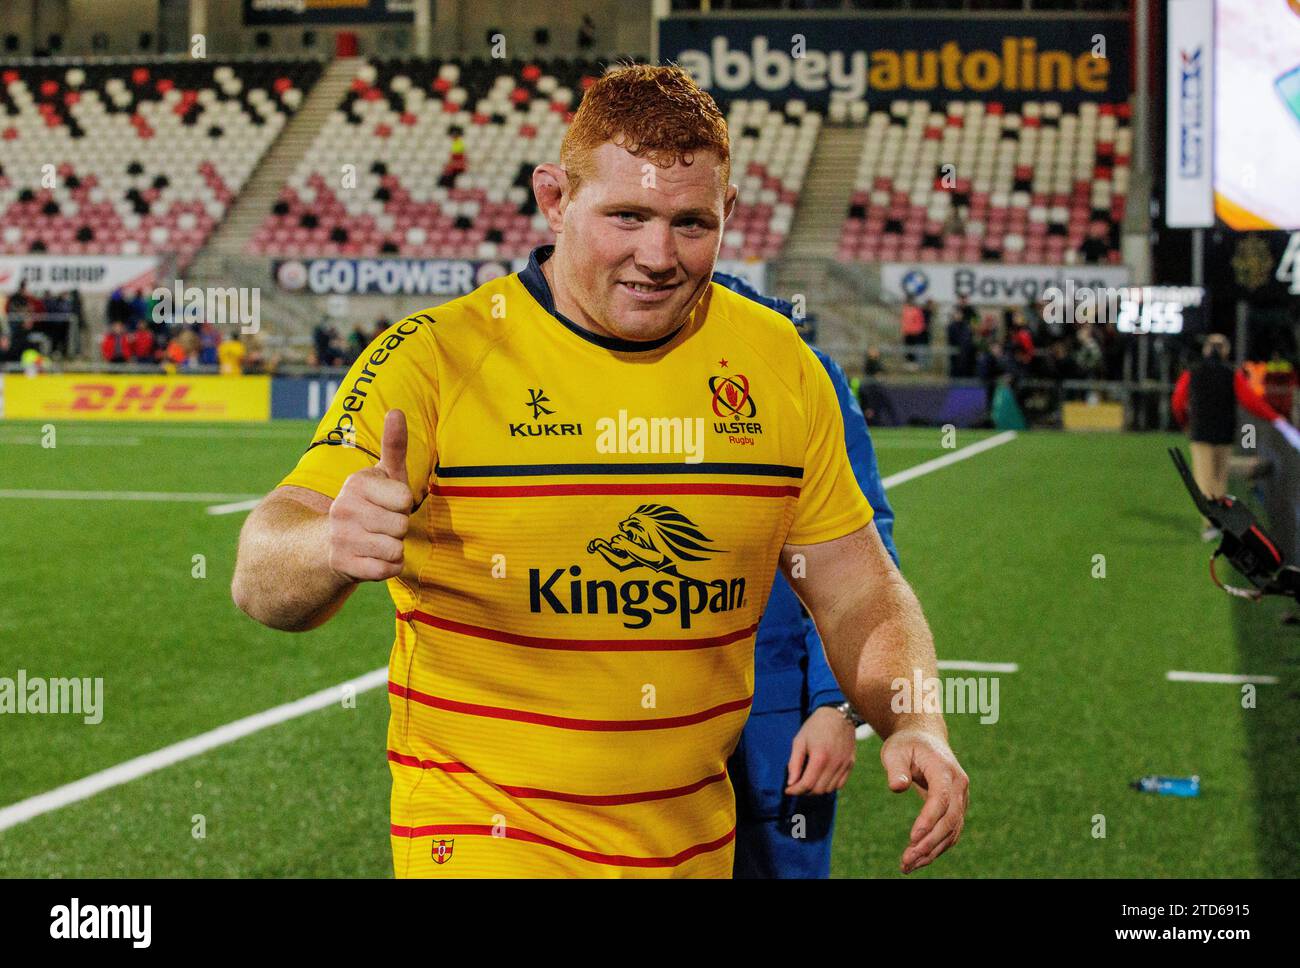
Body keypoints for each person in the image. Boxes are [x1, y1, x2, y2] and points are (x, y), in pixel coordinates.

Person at [231, 64, 967, 879]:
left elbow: (857, 586)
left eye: (691, 223)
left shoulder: (779, 365)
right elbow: (261, 574)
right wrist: (327, 547)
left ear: (728, 213)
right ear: (554, 199)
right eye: (627, 216)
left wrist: (914, 720)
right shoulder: (436, 357)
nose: (658, 256)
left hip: (690, 847)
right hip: (482, 836)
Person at [711, 271, 899, 879]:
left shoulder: (797, 369)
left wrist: (837, 705)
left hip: (775, 714)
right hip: (634, 721)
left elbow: (860, 559)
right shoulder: (592, 371)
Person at [1171, 334, 1293, 540]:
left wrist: (1184, 423)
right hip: (1224, 433)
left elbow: (1177, 401)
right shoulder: (1231, 373)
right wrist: (1277, 419)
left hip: (1201, 433)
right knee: (1219, 477)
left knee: (1205, 477)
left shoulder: (1192, 372)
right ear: (1226, 351)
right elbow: (1250, 401)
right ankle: (1219, 520)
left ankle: (1211, 523)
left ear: (1206, 350)